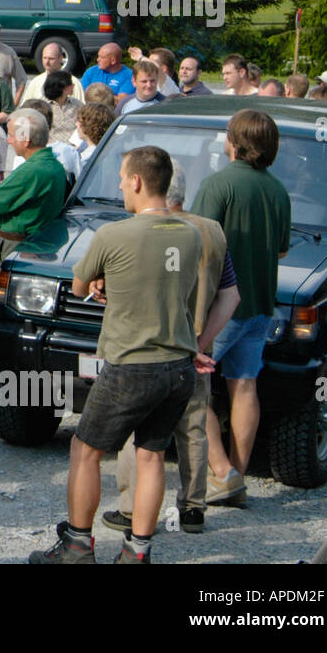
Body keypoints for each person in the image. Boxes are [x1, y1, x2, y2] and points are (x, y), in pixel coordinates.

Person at [29, 146, 212, 565]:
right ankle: (137, 553)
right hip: (179, 367)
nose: (118, 185)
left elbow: (77, 287)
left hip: (132, 364)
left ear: (136, 182)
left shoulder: (112, 234)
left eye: (121, 177)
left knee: (85, 449)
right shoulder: (190, 233)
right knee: (151, 457)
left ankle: (77, 545)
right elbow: (164, 284)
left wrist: (99, 282)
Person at [104, 161, 240, 536]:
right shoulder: (212, 232)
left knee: (140, 429)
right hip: (197, 348)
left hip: (150, 348)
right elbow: (231, 296)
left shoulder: (145, 232)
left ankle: (133, 509)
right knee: (194, 426)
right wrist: (200, 342)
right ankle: (193, 509)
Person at [190, 109, 290, 508]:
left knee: (192, 387)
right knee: (245, 385)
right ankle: (238, 473)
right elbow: (281, 248)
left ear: (234, 141)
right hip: (262, 300)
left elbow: (199, 241)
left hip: (220, 304)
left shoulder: (218, 184)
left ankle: (223, 473)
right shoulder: (278, 190)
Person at [0, 109, 68, 330]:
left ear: (25, 139)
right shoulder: (54, 165)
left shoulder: (31, 170)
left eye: (12, 135)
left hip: (12, 245)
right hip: (36, 245)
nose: (8, 140)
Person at [42, 70, 84, 146]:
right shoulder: (44, 106)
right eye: (70, 84)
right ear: (62, 88)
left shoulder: (78, 105)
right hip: (50, 148)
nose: (73, 86)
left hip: (74, 148)